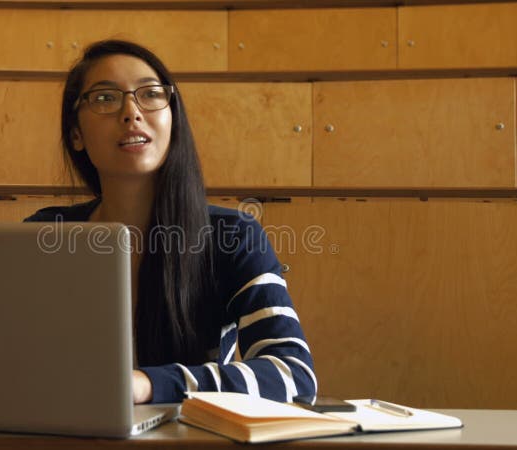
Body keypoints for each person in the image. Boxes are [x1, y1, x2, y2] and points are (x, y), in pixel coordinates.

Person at [25, 40, 316, 404]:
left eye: (150, 94)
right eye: (104, 98)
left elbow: (293, 375)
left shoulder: (233, 236)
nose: (131, 112)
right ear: (76, 135)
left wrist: (148, 384)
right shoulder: (45, 235)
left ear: (173, 117)